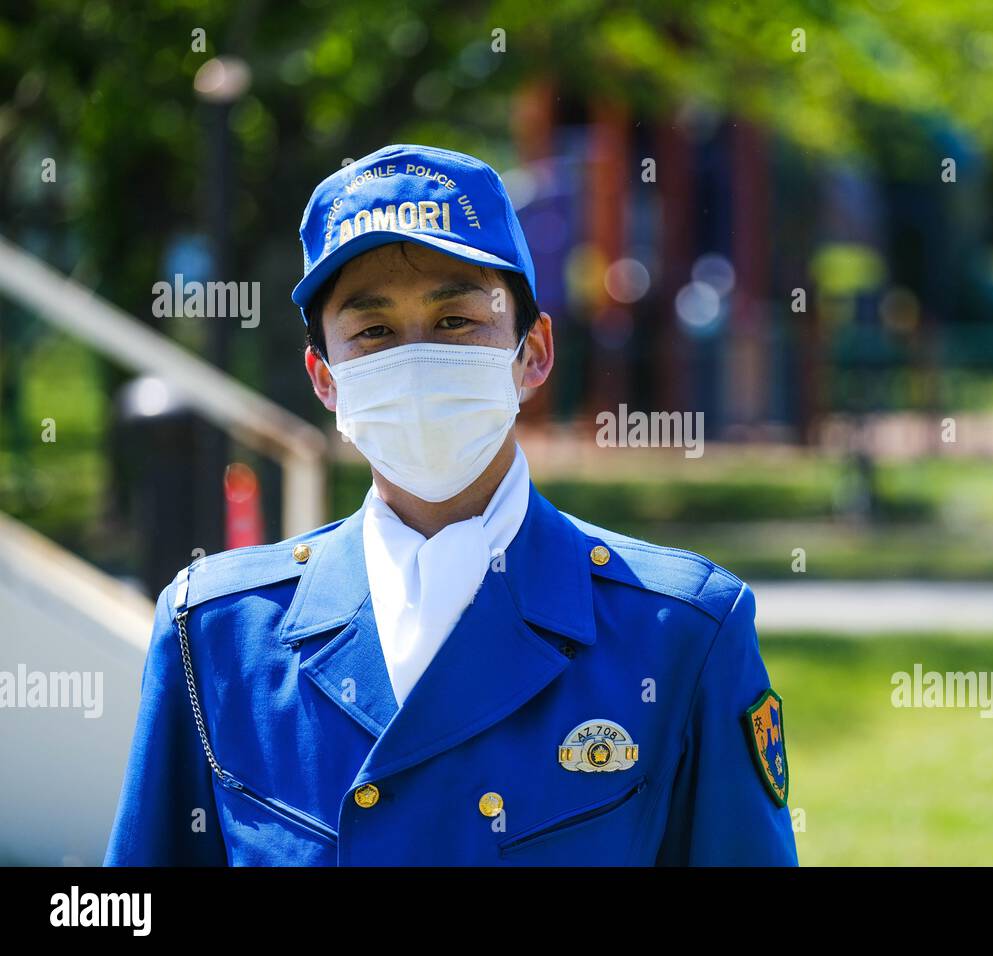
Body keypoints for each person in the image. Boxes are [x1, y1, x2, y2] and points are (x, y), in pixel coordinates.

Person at [103, 143, 797, 866]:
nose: (414, 357)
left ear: (532, 353)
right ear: (325, 378)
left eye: (457, 321)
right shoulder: (218, 635)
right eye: (372, 331)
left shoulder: (678, 630)